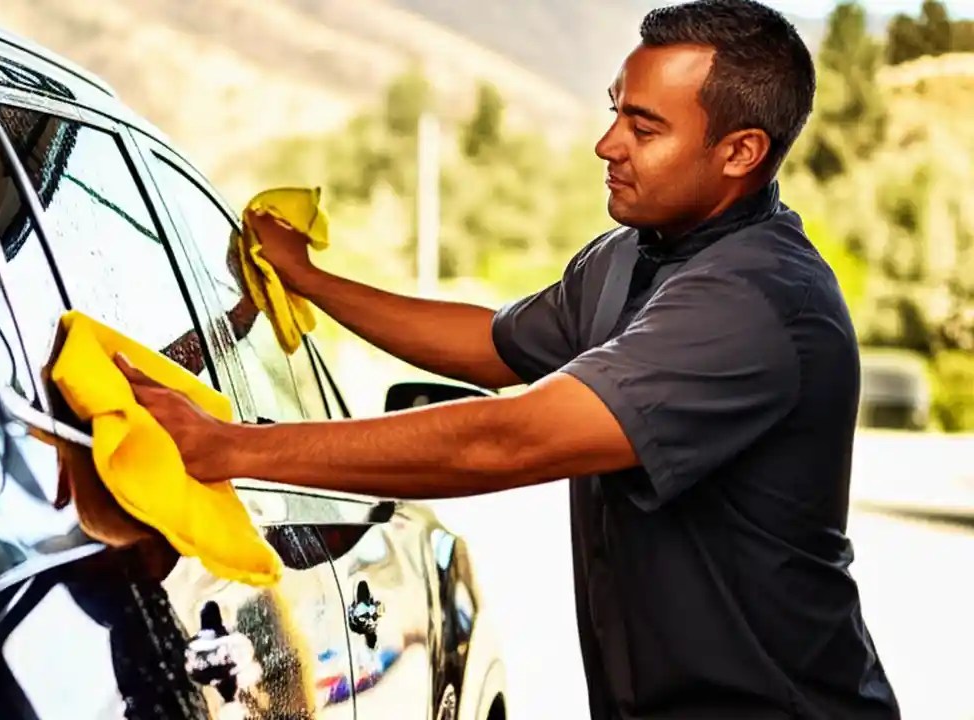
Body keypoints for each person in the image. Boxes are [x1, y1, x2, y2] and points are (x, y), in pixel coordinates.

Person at [115, 0, 901, 717]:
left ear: (740, 153)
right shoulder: (630, 257)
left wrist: (226, 448)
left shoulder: (757, 302)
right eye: (614, 112)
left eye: (645, 127)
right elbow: (491, 345)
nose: (607, 143)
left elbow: (508, 438)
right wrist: (311, 282)